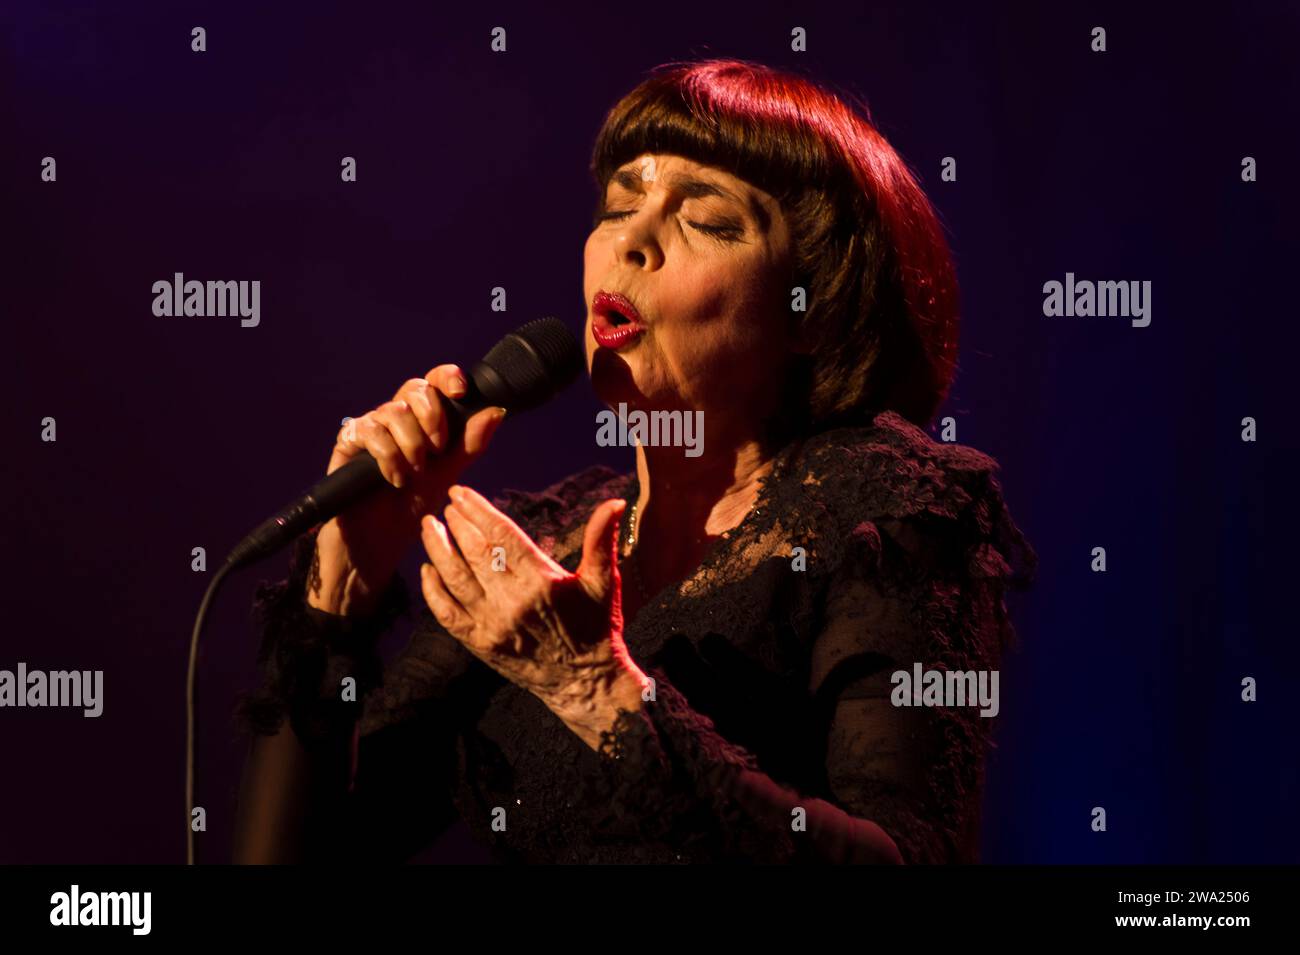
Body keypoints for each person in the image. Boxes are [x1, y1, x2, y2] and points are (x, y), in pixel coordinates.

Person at [231, 58, 1037, 864]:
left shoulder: (885, 512)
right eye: (620, 204)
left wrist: (593, 689)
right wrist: (342, 581)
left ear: (811, 311)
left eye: (708, 221)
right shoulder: (548, 547)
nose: (633, 239)